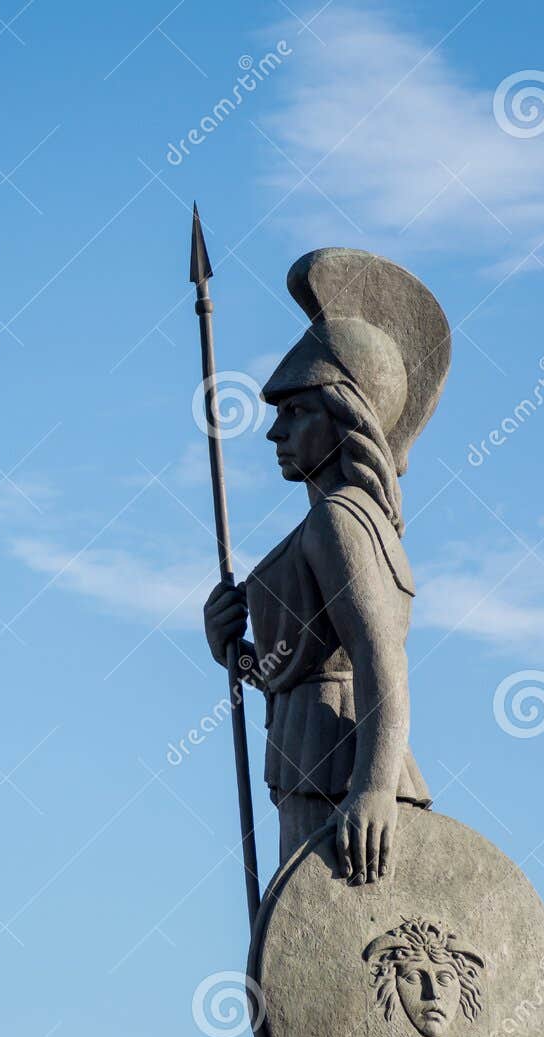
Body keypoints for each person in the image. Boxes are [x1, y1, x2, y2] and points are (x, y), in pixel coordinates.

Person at [202, 248, 450, 884]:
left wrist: (370, 789)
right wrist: (231, 650)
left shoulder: (341, 520)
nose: (274, 432)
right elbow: (299, 667)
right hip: (308, 756)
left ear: (348, 418)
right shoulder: (327, 522)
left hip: (343, 767)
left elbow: (378, 657)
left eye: (296, 411)